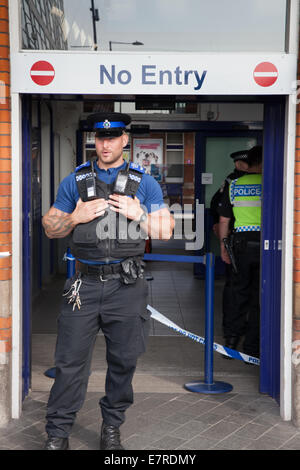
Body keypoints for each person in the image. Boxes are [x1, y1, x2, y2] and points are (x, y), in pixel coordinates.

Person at [41, 112, 175, 451]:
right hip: (83, 286)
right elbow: (49, 227)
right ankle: (58, 433)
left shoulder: (145, 183)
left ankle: (111, 427)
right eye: (100, 138)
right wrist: (74, 217)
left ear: (124, 141)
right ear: (93, 141)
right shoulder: (75, 181)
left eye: (113, 137)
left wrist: (138, 213)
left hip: (126, 287)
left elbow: (167, 230)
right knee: (70, 363)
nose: (105, 143)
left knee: (123, 362)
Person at [217, 145, 262, 358]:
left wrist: (224, 247)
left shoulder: (234, 185)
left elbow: (224, 220)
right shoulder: (272, 183)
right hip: (266, 246)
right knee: (258, 297)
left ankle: (232, 340)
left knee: (238, 292)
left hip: (240, 244)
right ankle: (252, 348)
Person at [210, 150, 248, 348]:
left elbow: (217, 206)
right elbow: (217, 204)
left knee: (236, 289)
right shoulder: (232, 180)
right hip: (237, 238)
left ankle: (234, 335)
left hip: (237, 239)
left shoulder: (236, 181)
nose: (239, 165)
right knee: (237, 288)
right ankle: (237, 336)